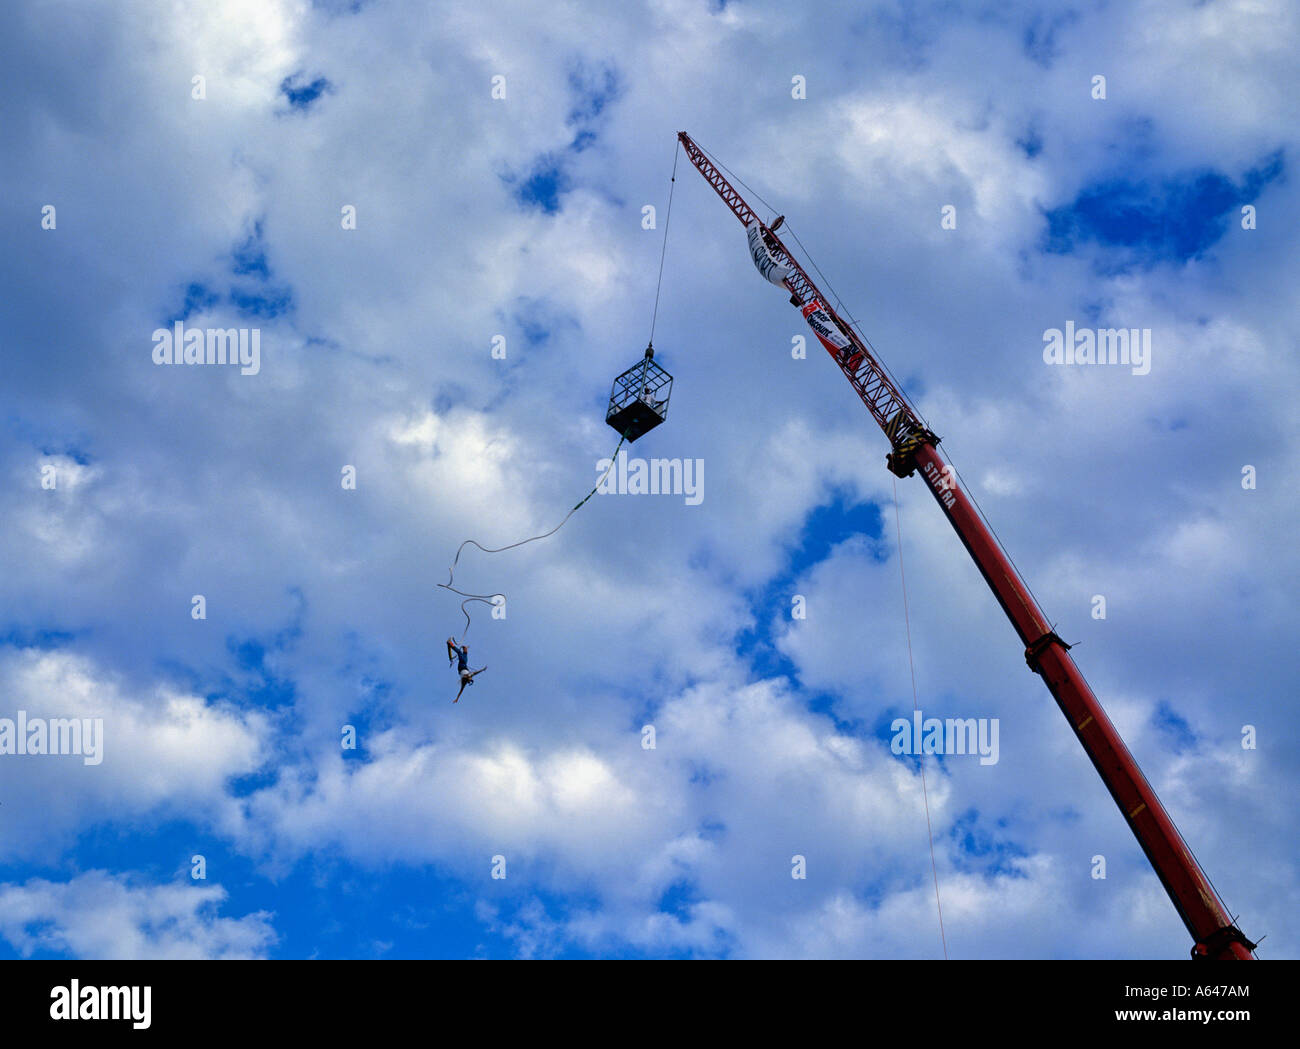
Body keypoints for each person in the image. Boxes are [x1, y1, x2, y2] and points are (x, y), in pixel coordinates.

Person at [446, 637, 485, 703]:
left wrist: (457, 699)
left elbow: (461, 691)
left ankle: (450, 643)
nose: (470, 677)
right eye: (470, 677)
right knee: (465, 654)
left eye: (470, 678)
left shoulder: (464, 682)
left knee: (459, 652)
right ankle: (465, 649)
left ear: (468, 680)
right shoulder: (470, 675)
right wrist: (482, 669)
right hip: (465, 664)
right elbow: (476, 672)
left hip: (461, 667)